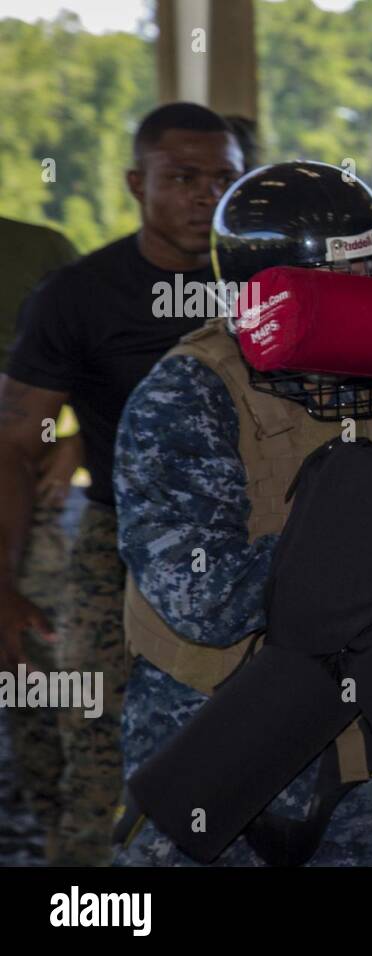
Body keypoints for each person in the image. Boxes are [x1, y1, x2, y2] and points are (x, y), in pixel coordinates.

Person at [112, 162, 372, 866]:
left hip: (369, 726)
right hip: (213, 729)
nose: (366, 300)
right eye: (341, 284)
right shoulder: (186, 394)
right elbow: (203, 600)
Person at [0, 103, 243, 864]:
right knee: (93, 742)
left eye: (224, 179)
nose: (206, 195)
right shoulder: (76, 295)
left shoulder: (272, 285)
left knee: (261, 746)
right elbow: (14, 443)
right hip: (120, 540)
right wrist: (2, 584)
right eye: (183, 178)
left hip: (257, 535)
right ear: (138, 183)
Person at [0, 215, 79, 857]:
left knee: (35, 660)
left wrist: (72, 441)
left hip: (19, 489)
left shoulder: (38, 249)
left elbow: (100, 360)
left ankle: (63, 827)